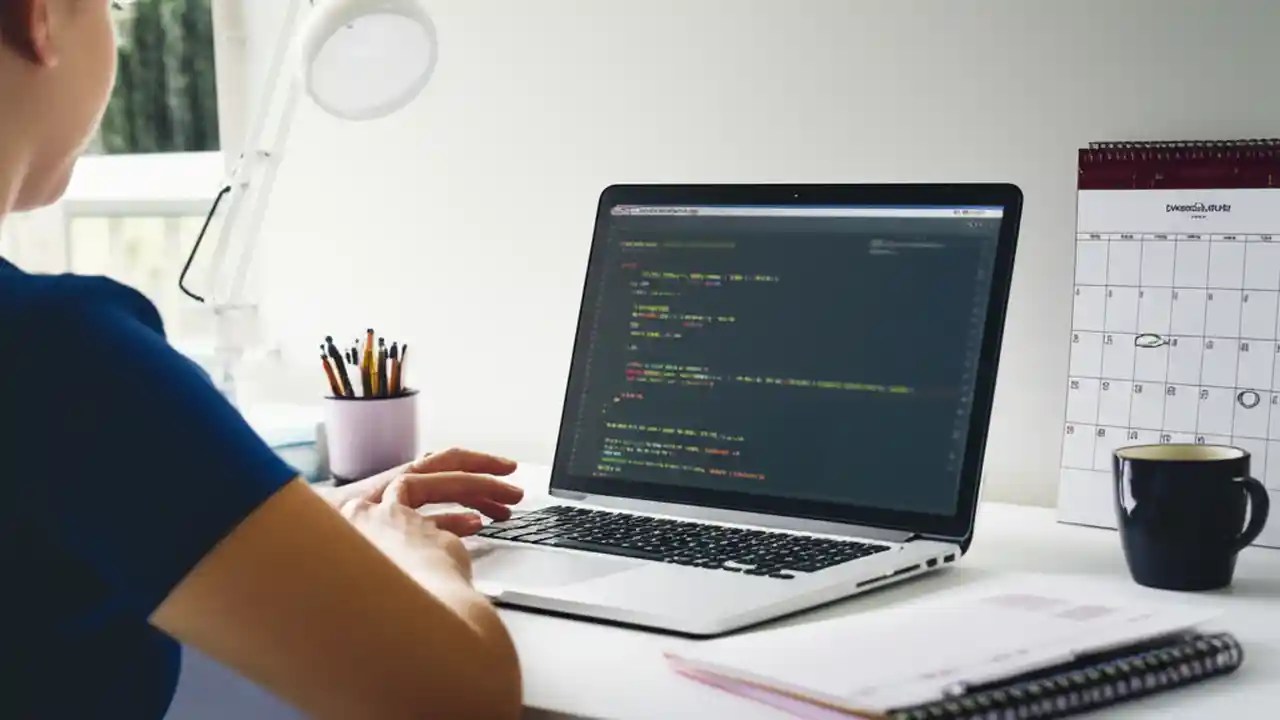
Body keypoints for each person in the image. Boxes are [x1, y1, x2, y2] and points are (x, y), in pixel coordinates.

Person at [0, 1, 524, 717]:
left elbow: (79, 523)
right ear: (41, 19)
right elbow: (464, 700)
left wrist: (306, 520)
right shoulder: (60, 355)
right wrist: (419, 556)